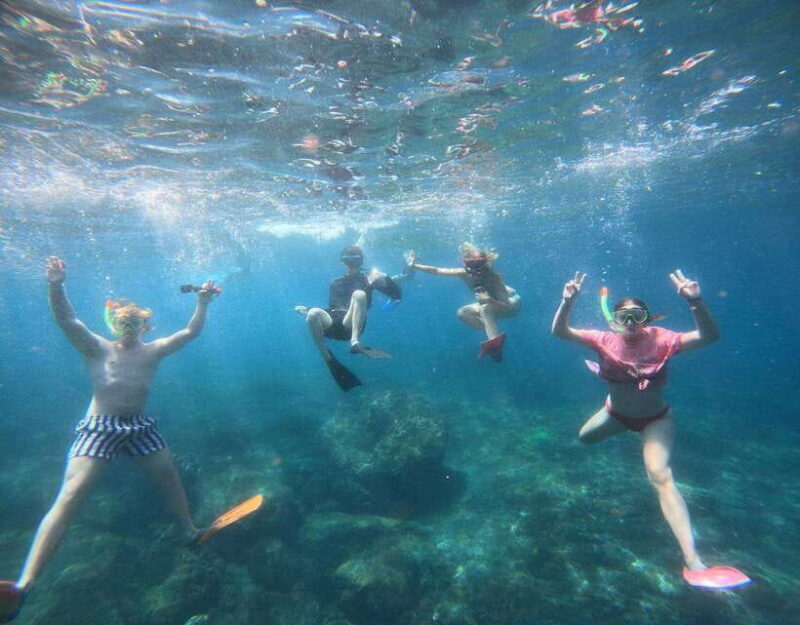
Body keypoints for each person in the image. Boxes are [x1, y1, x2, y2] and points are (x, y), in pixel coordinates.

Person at [0, 256, 219, 623]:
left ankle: (188, 531)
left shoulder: (154, 349)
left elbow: (190, 333)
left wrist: (201, 303)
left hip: (139, 427)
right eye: (124, 321)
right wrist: (56, 284)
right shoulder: (97, 348)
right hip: (99, 427)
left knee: (168, 476)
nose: (130, 326)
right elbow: (68, 321)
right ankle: (25, 584)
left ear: (146, 327)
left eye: (136, 322)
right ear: (115, 324)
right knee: (70, 496)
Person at [552, 269, 749, 588]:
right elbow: (560, 331)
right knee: (584, 438)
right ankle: (609, 398)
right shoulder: (602, 339)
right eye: (624, 316)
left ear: (647, 318)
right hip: (614, 414)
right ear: (614, 319)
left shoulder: (664, 340)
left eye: (637, 316)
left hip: (655, 419)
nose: (630, 322)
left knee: (659, 475)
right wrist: (567, 302)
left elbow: (709, 337)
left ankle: (694, 562)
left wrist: (696, 302)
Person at [295, 245, 401, 391]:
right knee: (313, 312)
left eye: (355, 259)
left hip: (351, 324)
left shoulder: (369, 279)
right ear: (342, 261)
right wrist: (307, 310)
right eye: (347, 259)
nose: (351, 263)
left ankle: (355, 342)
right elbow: (332, 308)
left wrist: (385, 278)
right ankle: (327, 357)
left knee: (359, 294)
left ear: (361, 261)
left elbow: (396, 294)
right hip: (333, 323)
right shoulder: (335, 282)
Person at [408, 243, 520, 362]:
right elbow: (437, 270)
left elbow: (506, 304)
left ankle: (496, 346)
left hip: (512, 302)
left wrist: (489, 300)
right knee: (463, 313)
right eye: (471, 264)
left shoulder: (493, 277)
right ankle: (494, 335)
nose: (476, 269)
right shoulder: (463, 273)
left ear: (485, 263)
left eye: (479, 264)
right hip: (490, 305)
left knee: (486, 309)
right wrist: (414, 266)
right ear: (464, 264)